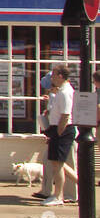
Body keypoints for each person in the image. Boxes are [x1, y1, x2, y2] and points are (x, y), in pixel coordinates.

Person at [41, 65, 77, 206]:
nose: (52, 78)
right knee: (58, 163)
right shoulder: (60, 91)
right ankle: (85, 186)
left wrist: (58, 133)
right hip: (57, 129)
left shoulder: (65, 92)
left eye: (54, 75)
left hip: (63, 130)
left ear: (60, 76)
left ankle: (57, 196)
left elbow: (66, 115)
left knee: (58, 165)